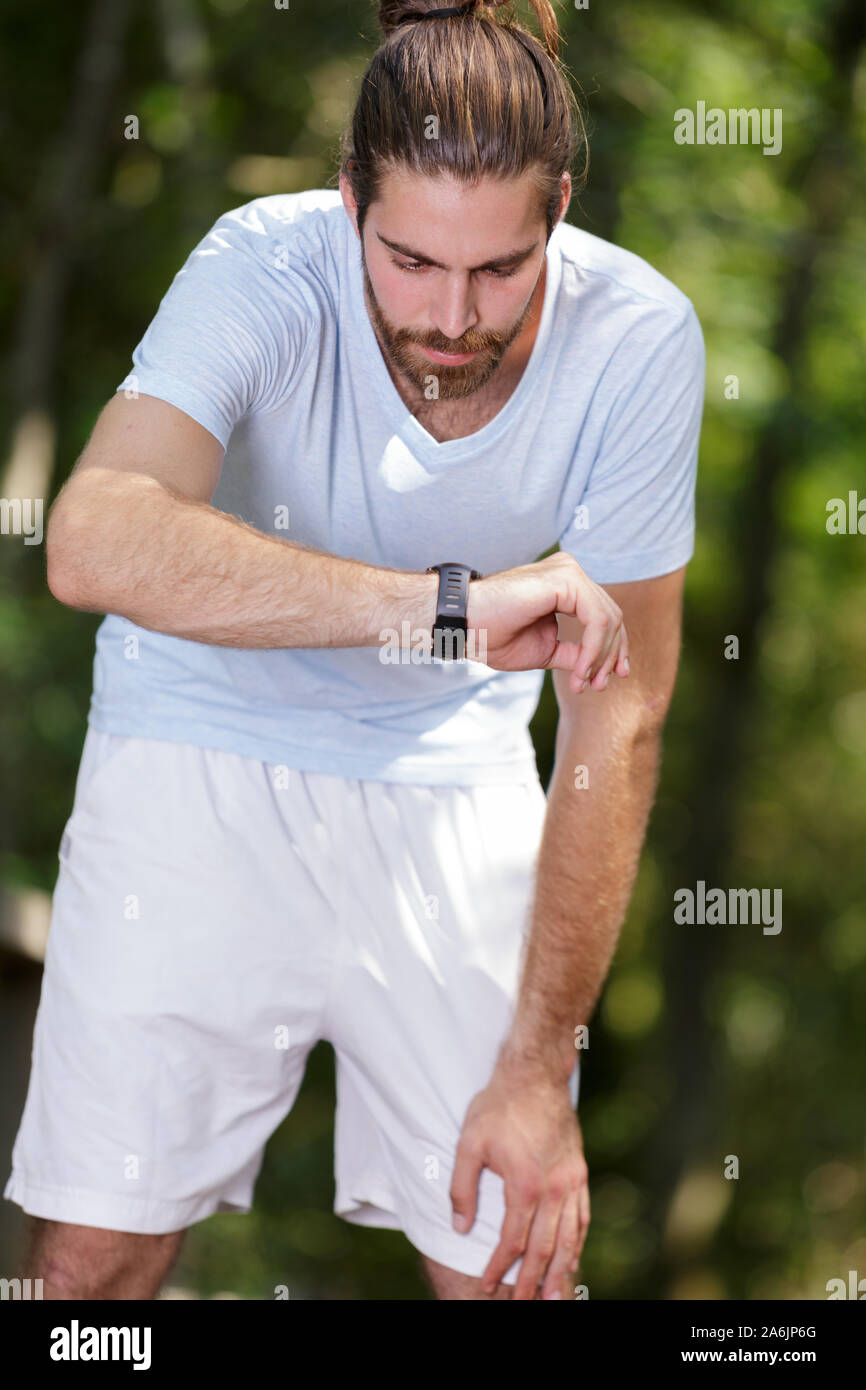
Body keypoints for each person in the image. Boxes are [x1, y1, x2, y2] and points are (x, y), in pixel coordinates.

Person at [5, 0, 704, 1301]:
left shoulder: (639, 337)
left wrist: (539, 1058)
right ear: (346, 201)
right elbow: (90, 541)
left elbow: (621, 717)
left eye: (500, 269)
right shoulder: (261, 264)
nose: (451, 316)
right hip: (195, 745)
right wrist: (445, 607)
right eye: (407, 262)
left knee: (513, 1255)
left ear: (558, 206)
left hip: (450, 784)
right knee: (88, 1269)